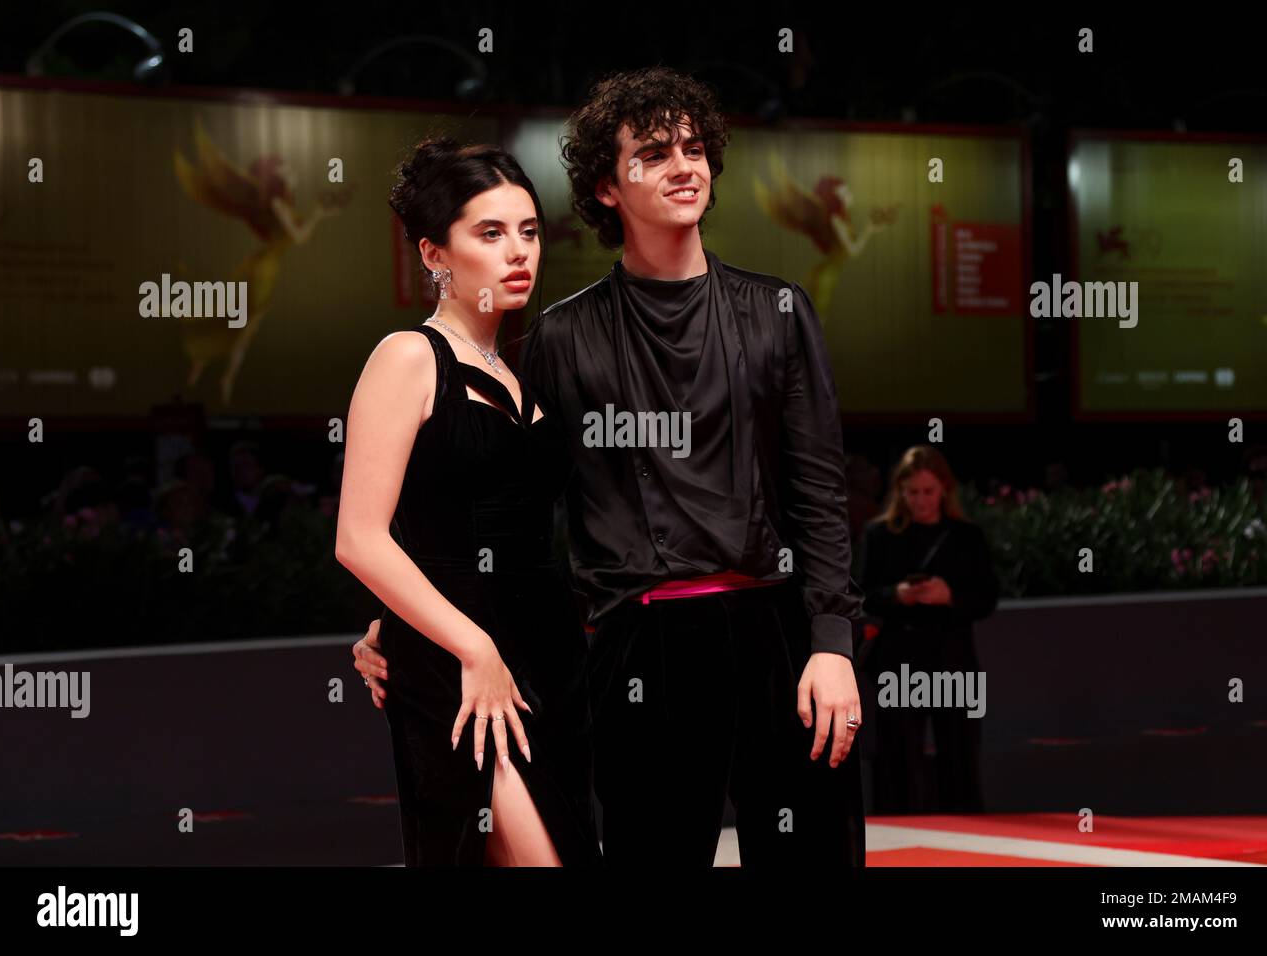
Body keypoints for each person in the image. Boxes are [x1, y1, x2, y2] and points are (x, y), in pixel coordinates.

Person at [354, 66, 866, 866]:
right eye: (655, 153)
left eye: (695, 148)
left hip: (781, 631)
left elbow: (821, 493)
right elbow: (512, 493)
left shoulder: (777, 311)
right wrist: (409, 618)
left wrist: (833, 640)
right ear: (604, 187)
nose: (684, 166)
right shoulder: (560, 336)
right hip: (639, 648)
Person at [336, 137, 600, 866]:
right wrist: (467, 644)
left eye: (528, 231)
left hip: (550, 659)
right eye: (489, 233)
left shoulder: (528, 371)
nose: (518, 252)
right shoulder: (407, 358)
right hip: (463, 667)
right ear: (434, 255)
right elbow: (359, 537)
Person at [852, 445, 999, 814]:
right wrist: (897, 595)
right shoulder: (879, 535)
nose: (920, 500)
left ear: (944, 490)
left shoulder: (966, 536)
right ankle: (895, 842)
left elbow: (986, 598)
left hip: (953, 660)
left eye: (928, 491)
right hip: (898, 662)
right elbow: (860, 594)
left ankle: (968, 840)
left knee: (960, 757)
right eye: (913, 491)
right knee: (895, 761)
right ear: (899, 491)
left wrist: (949, 595)